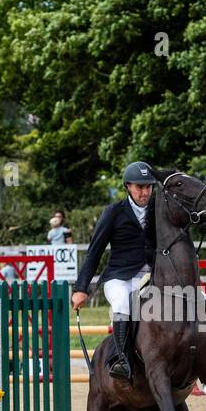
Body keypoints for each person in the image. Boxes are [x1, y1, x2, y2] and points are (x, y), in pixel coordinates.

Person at [71, 161, 157, 381]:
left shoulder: (159, 210)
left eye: (148, 187)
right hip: (121, 276)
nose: (145, 192)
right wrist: (81, 288)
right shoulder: (113, 212)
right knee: (122, 303)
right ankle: (123, 361)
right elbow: (94, 252)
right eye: (140, 187)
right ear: (128, 186)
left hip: (153, 274)